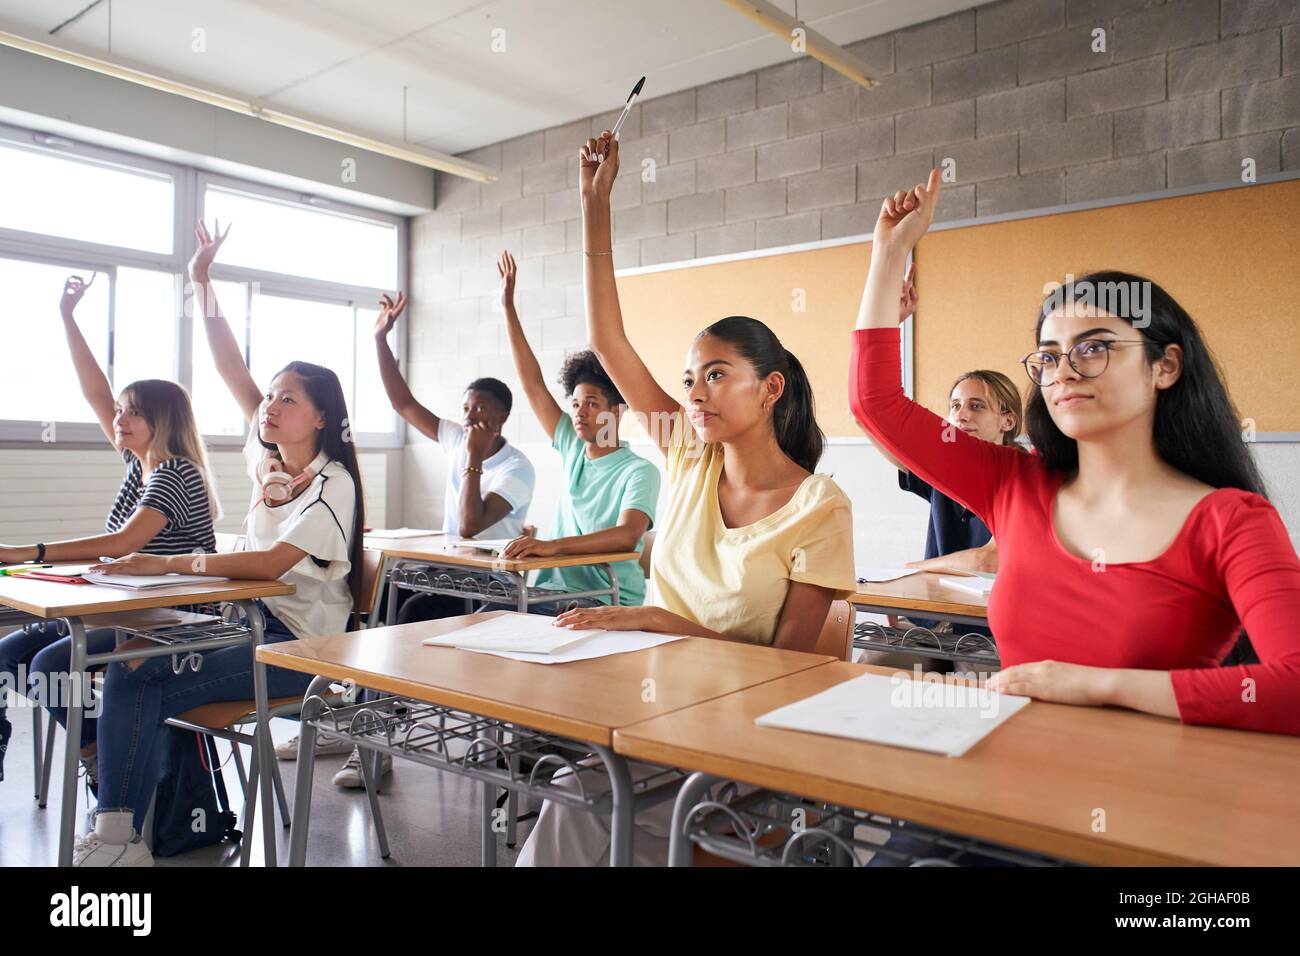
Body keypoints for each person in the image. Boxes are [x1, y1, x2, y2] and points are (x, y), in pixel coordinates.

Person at [849, 169, 1300, 736]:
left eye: (1094, 349)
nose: (1063, 372)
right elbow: (877, 403)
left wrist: (1095, 684)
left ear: (1165, 366)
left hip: (1147, 804)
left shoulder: (1233, 522)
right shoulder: (1014, 484)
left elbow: (1292, 686)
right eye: (1049, 355)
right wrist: (889, 254)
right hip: (1008, 778)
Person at [515, 129, 857, 866]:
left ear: (770, 389)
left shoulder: (821, 506)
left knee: (608, 816)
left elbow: (790, 671)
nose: (694, 393)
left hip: (751, 742)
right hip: (659, 710)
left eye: (717, 375)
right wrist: (595, 205)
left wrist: (660, 620)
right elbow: (609, 340)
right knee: (574, 797)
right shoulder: (688, 456)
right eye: (690, 377)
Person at [65, 219, 366, 865]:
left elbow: (267, 565)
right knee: (123, 659)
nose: (269, 406)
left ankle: (121, 837)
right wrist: (202, 282)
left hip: (298, 647)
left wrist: (170, 561)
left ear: (321, 417)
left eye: (287, 398)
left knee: (134, 675)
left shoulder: (333, 483)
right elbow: (232, 367)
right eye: (271, 397)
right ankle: (130, 828)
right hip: (241, 624)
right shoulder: (272, 465)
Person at [0, 274, 218, 786]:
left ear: (162, 423)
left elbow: (124, 543)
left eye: (132, 413)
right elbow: (95, 390)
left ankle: (100, 755)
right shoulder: (136, 462)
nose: (118, 419)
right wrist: (68, 318)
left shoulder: (176, 471)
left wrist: (29, 551)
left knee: (50, 667)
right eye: (120, 411)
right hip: (121, 604)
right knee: (7, 654)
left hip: (170, 617)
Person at [494, 250, 660, 610]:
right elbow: (533, 384)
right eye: (575, 403)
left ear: (617, 412)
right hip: (549, 589)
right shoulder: (571, 443)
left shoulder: (639, 471)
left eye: (592, 404)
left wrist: (552, 546)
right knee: (476, 617)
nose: (579, 412)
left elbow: (628, 534)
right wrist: (508, 307)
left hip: (605, 598)